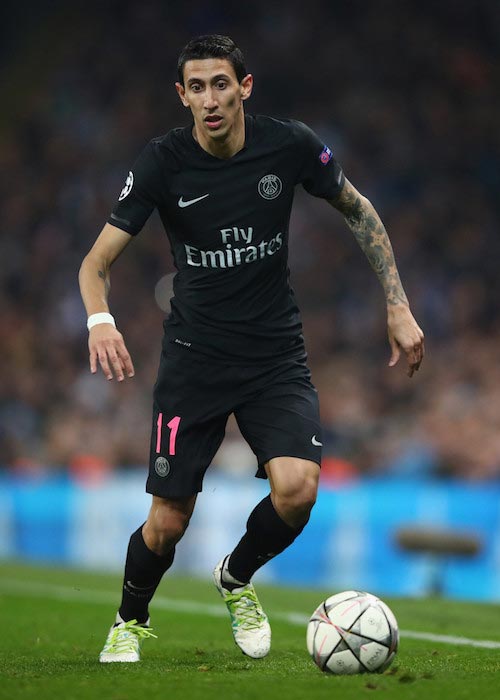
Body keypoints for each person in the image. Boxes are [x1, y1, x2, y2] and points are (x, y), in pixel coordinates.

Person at [79, 34, 424, 663]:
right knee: (168, 523)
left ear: (245, 87)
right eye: (196, 87)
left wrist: (397, 303)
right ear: (181, 95)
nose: (210, 99)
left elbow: (358, 209)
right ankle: (130, 619)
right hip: (194, 362)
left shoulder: (287, 144)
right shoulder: (163, 162)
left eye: (221, 84)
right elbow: (94, 263)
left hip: (274, 357)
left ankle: (234, 578)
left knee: (298, 488)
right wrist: (100, 318)